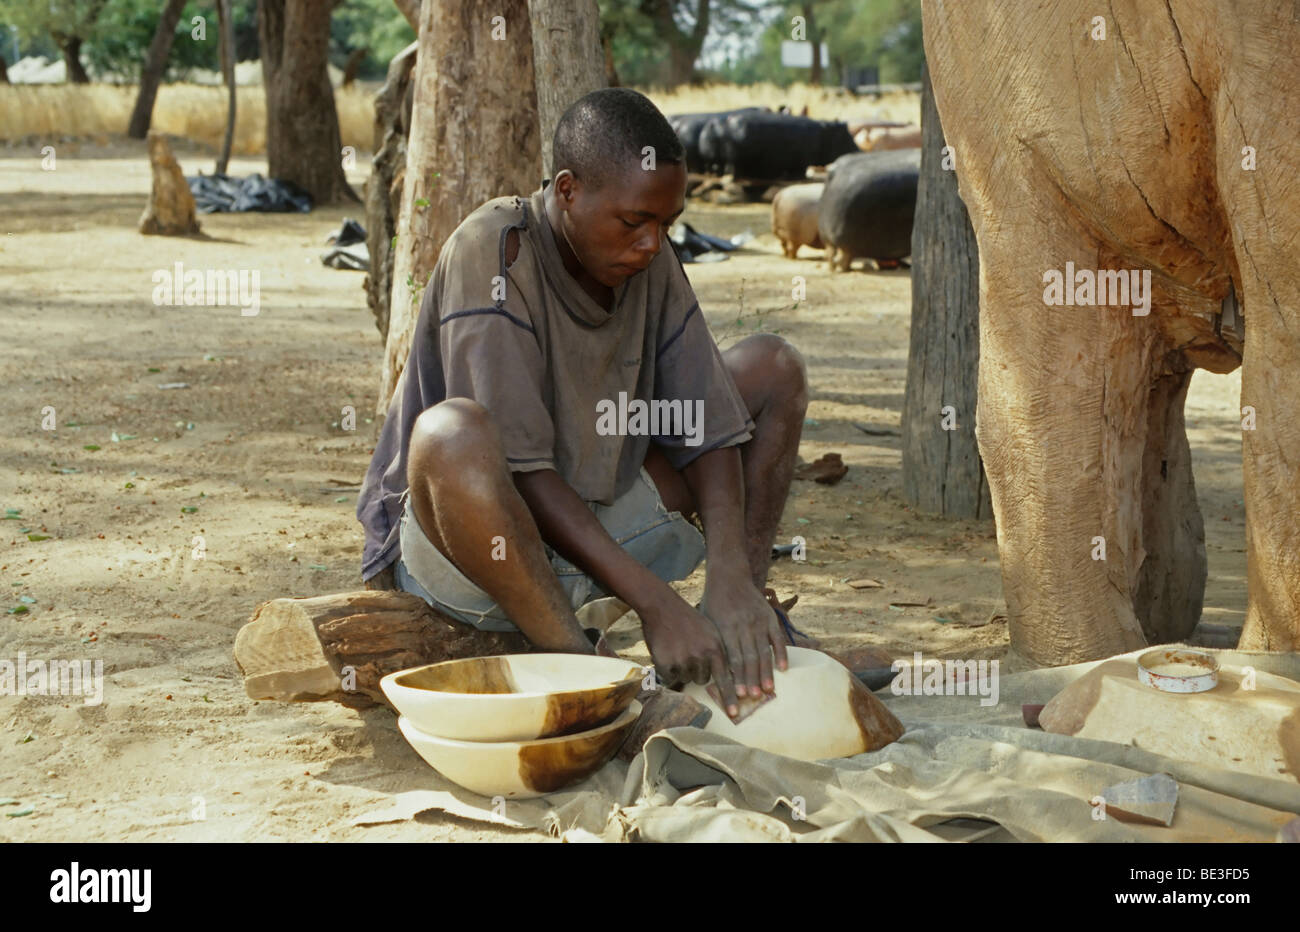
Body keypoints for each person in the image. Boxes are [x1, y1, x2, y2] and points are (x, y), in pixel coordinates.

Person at [357, 88, 808, 722]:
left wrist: (731, 578)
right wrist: (656, 604)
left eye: (666, 224)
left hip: (590, 540)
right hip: (476, 563)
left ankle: (742, 624)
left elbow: (709, 422)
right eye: (633, 222)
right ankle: (586, 677)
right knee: (451, 435)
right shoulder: (495, 253)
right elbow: (521, 475)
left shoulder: (647, 254)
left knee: (773, 367)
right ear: (567, 191)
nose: (652, 243)